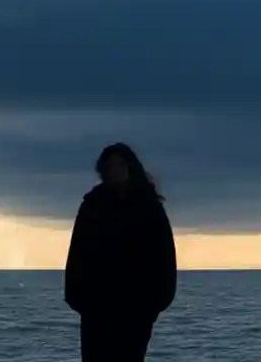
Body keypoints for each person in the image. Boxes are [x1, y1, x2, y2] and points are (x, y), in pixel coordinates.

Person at [64, 143, 177, 362]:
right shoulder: (92, 205)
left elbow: (164, 256)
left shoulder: (149, 207)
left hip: (136, 307)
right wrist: (77, 297)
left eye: (120, 164)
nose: (115, 170)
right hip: (97, 307)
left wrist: (156, 302)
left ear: (130, 167)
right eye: (110, 166)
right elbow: (77, 252)